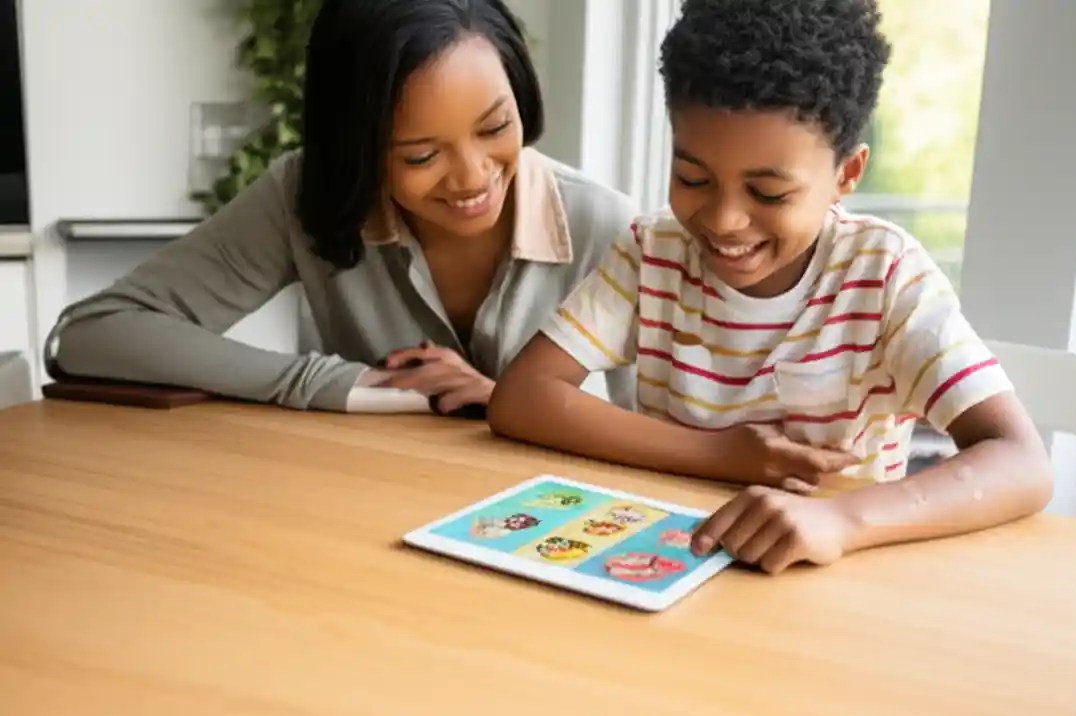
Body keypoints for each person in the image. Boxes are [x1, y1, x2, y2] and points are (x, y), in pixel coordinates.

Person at [488, 0, 1052, 573]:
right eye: (692, 178)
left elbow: (1022, 463)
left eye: (769, 194)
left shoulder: (883, 274)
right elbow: (522, 398)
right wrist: (723, 457)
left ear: (846, 175)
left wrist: (841, 520)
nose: (724, 220)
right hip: (671, 560)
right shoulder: (651, 253)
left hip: (832, 575)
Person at [45, 0, 635, 415]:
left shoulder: (606, 228)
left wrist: (507, 401)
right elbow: (89, 336)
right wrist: (325, 380)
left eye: (495, 127)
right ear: (356, 147)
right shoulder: (307, 194)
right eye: (421, 155)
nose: (473, 176)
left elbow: (668, 443)